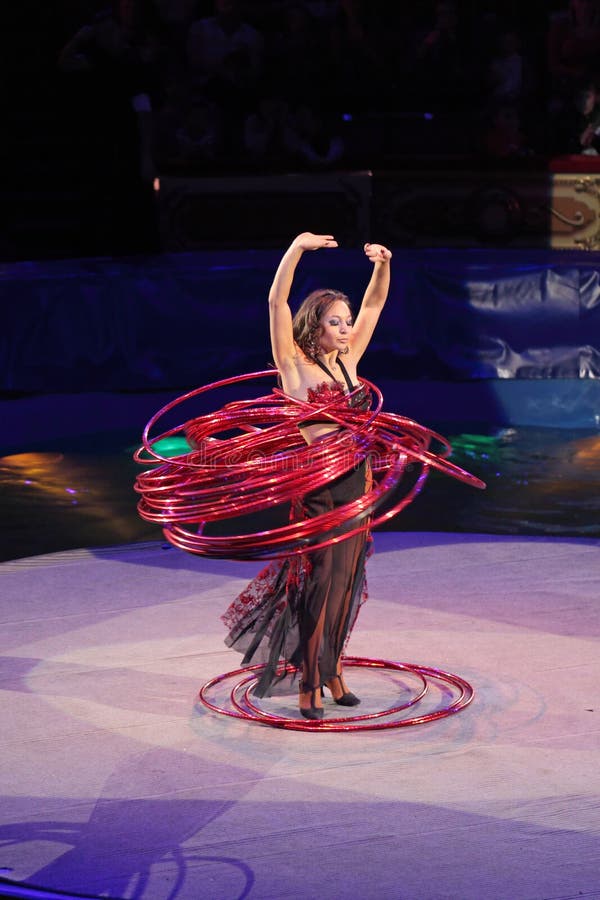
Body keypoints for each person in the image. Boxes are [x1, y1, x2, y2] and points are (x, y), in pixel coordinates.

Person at [221, 232, 392, 720]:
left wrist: (382, 265)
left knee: (347, 582)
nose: (345, 328)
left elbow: (376, 306)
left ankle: (334, 672)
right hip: (321, 489)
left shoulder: (349, 364)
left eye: (346, 321)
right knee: (320, 582)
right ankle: (309, 684)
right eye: (335, 321)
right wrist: (296, 248)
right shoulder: (294, 369)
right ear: (314, 326)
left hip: (359, 484)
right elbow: (277, 300)